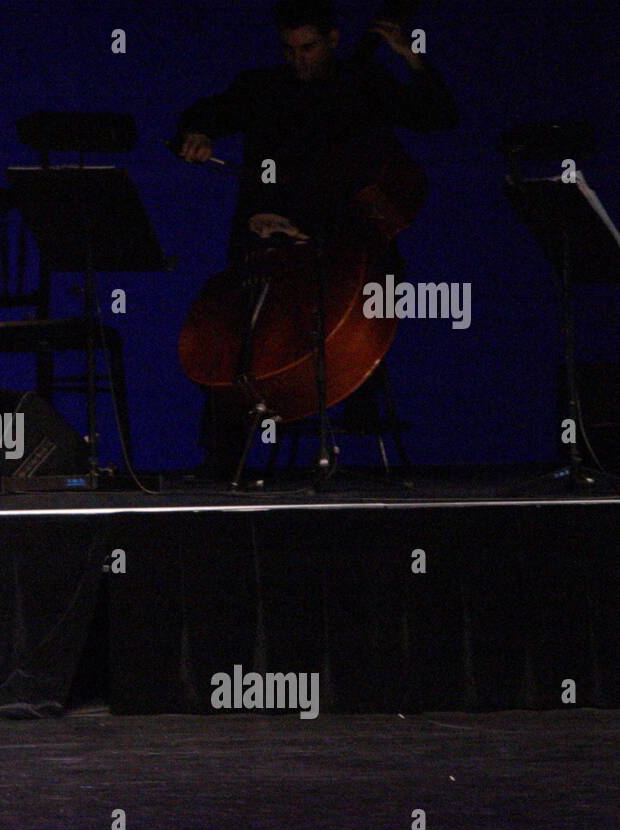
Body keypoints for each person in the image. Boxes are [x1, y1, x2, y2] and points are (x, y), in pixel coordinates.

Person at [172, 0, 457, 474]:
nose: (299, 59)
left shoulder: (365, 84)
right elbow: (205, 114)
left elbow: (438, 116)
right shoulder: (262, 88)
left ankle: (358, 391)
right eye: (289, 50)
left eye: (309, 48)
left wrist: (410, 56)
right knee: (239, 325)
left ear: (333, 41)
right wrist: (195, 134)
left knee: (373, 288)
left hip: (342, 237)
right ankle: (222, 454)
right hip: (267, 233)